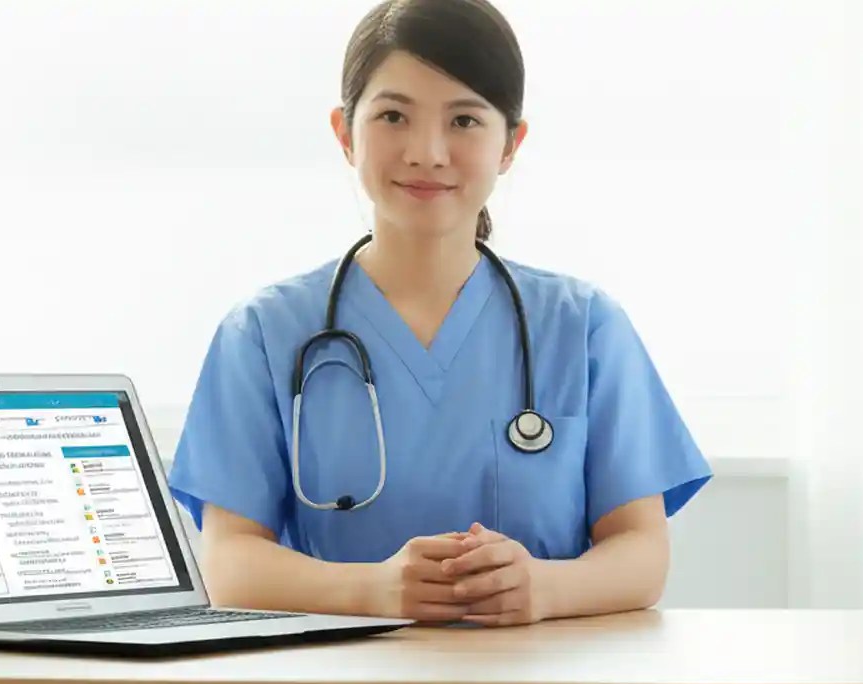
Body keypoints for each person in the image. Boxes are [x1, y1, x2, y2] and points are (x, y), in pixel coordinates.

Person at [166, 0, 712, 627]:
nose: (427, 152)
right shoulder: (263, 333)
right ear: (345, 133)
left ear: (511, 143)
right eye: (394, 115)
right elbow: (230, 561)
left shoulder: (583, 325)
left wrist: (545, 587)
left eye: (465, 120)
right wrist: (372, 592)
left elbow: (642, 553)